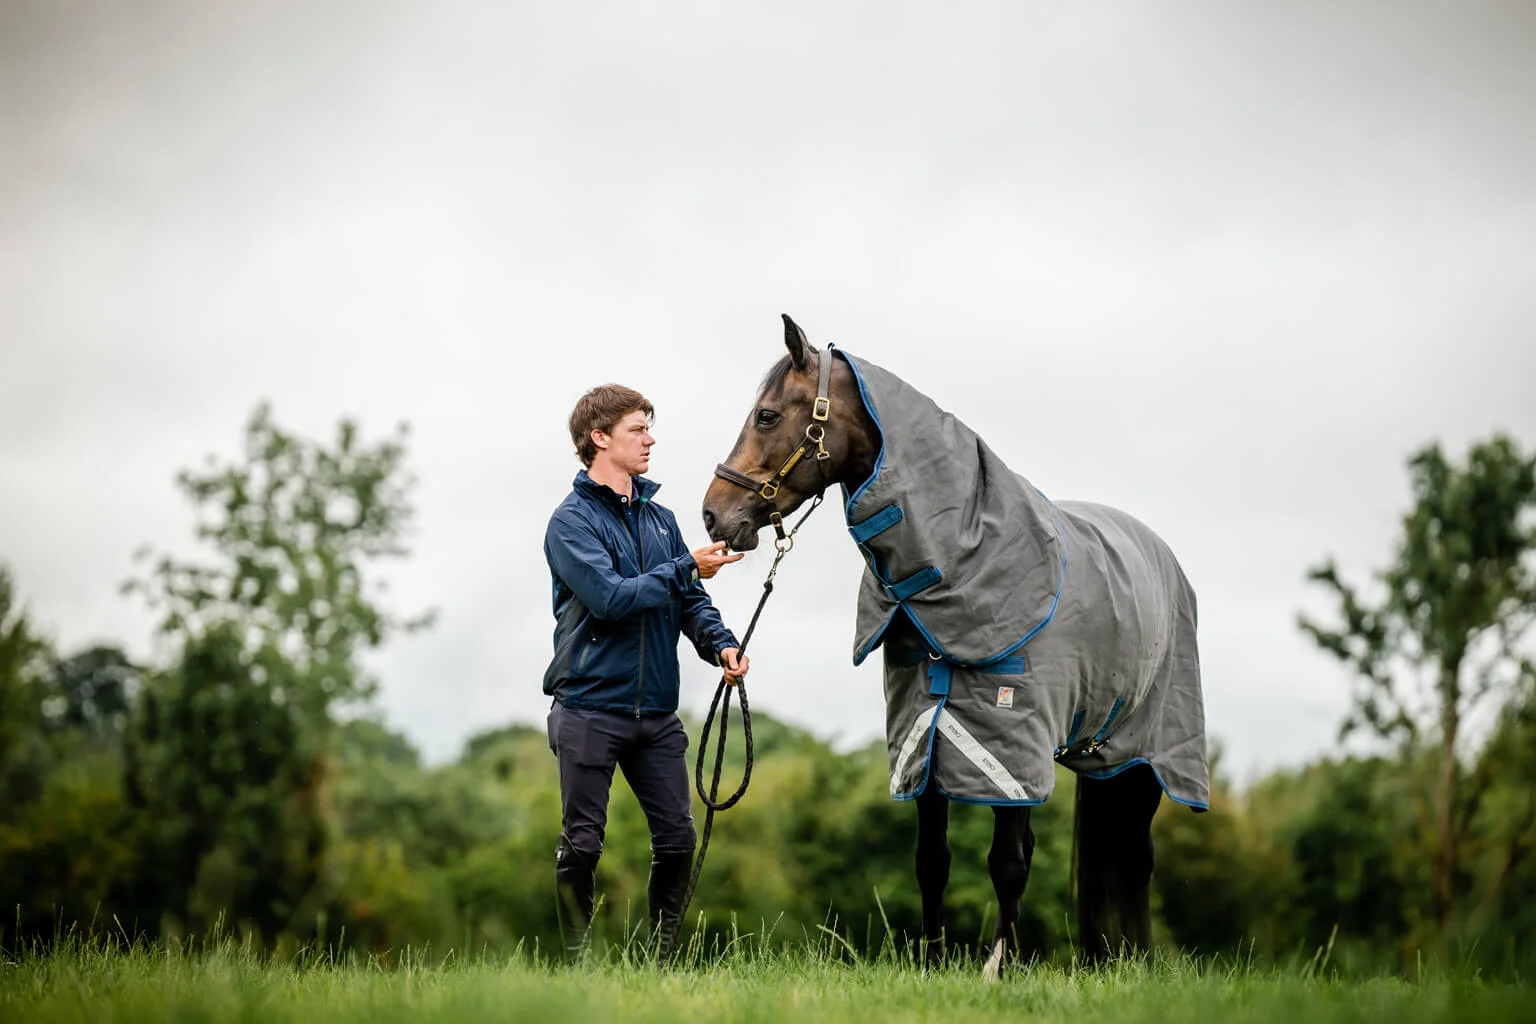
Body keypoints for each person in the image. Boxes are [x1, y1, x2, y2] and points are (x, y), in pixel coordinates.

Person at [542, 383, 748, 958]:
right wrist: (687, 569)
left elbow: (689, 604)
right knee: (581, 846)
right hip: (587, 710)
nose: (650, 439)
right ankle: (577, 968)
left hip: (656, 714)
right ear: (599, 437)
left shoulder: (660, 520)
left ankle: (662, 967)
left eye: (649, 428)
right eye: (637, 429)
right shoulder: (570, 524)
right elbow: (610, 597)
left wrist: (723, 647)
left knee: (678, 841)